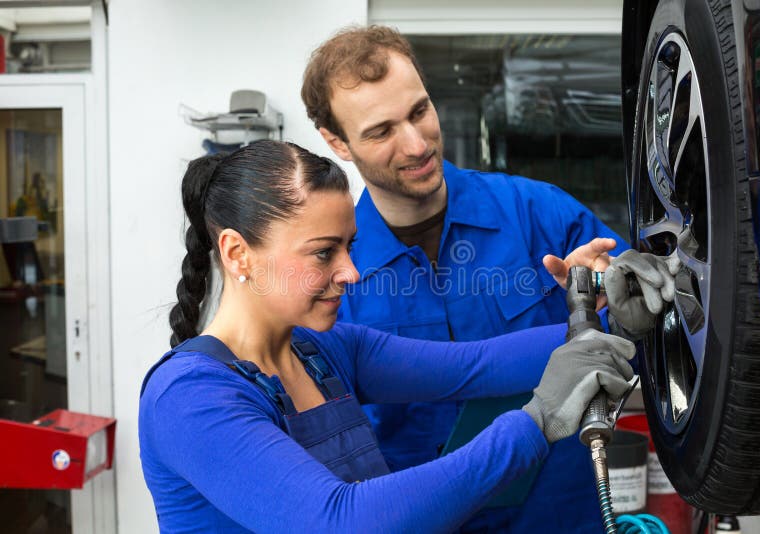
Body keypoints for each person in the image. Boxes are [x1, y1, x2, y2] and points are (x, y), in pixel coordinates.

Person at [138, 139, 638, 533]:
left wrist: (618, 319)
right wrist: (535, 422)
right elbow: (340, 521)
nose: (351, 272)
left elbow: (475, 366)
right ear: (237, 253)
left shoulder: (325, 352)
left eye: (348, 247)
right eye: (323, 252)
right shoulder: (190, 398)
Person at [301, 25, 677, 532]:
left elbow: (650, 319)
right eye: (382, 131)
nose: (416, 144)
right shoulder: (334, 275)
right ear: (337, 142)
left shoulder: (539, 214)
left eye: (419, 111)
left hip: (559, 517)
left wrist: (608, 297)